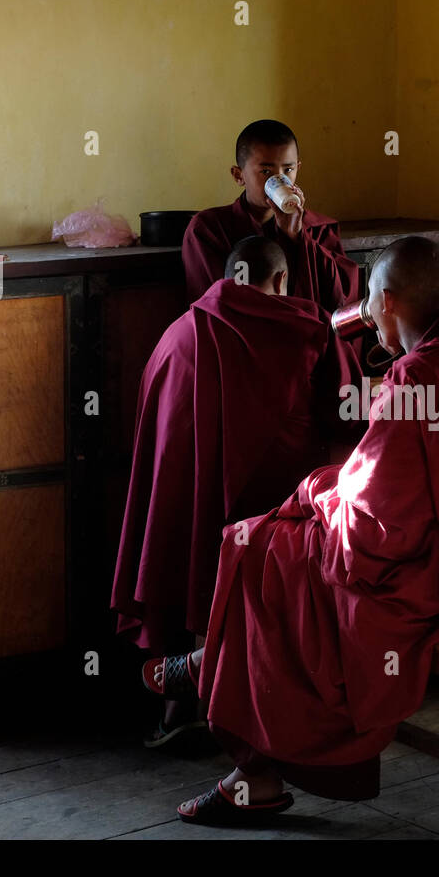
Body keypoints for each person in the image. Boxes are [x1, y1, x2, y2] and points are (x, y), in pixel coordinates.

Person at [143, 236, 439, 824]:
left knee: (258, 550)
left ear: (389, 302)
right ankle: (235, 724)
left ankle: (235, 723)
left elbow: (375, 530)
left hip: (427, 574)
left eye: (370, 298)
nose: (365, 312)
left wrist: (313, 491)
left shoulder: (416, 379)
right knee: (262, 544)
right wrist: (329, 489)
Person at [111, 236, 335, 746]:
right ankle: (259, 722)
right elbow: (335, 407)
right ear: (281, 281)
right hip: (266, 506)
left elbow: (154, 436)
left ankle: (179, 707)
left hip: (182, 499)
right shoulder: (299, 330)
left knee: (183, 562)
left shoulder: (179, 333)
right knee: (270, 576)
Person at [181, 119, 360, 312]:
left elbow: (340, 305)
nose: (279, 179)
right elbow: (214, 306)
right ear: (238, 175)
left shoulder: (319, 229)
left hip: (306, 339)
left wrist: (297, 238)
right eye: (266, 171)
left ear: (298, 168)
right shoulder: (210, 229)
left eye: (288, 170)